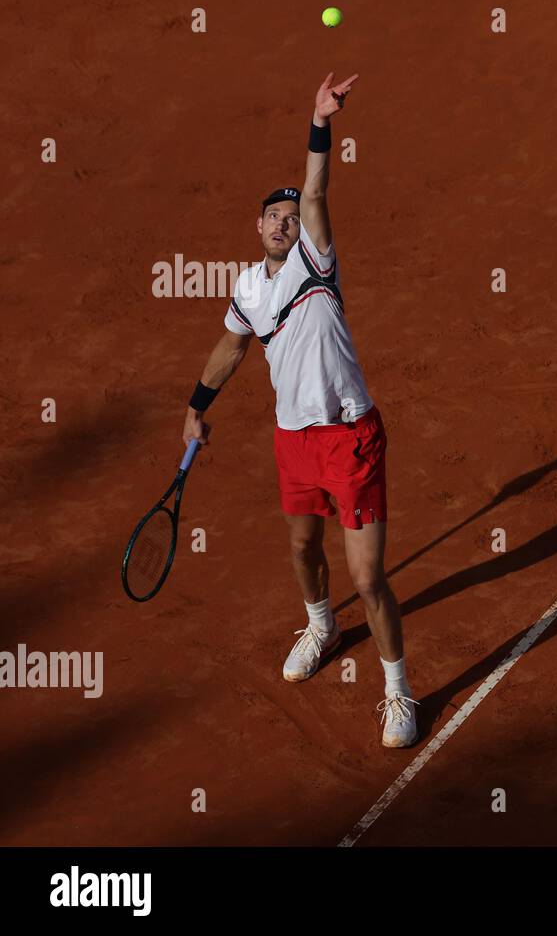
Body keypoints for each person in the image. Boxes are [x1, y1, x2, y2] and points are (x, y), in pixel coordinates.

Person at [182, 73, 416, 749]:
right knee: (302, 545)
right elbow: (231, 347)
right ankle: (321, 624)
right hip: (294, 441)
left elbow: (315, 187)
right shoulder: (249, 288)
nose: (287, 220)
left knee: (369, 577)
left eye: (293, 215)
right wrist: (196, 407)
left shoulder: (317, 260)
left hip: (350, 437)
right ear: (257, 227)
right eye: (275, 216)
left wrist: (320, 121)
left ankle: (398, 691)